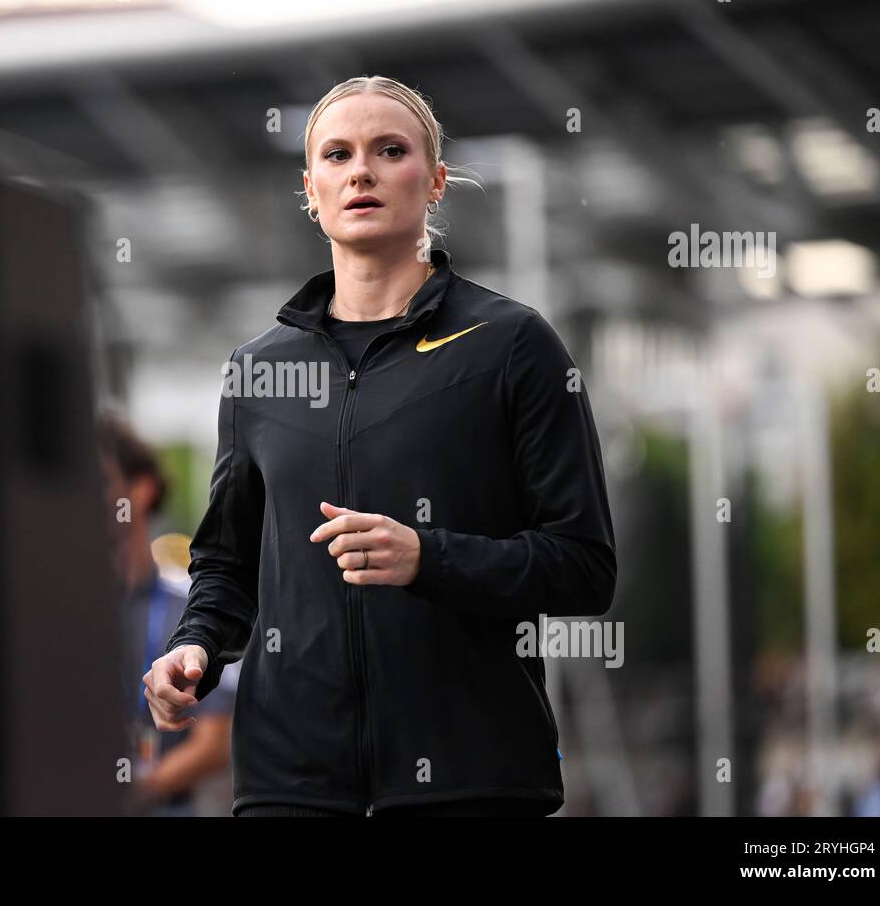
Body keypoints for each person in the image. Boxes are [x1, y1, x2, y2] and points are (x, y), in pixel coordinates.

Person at [142, 76, 617, 817]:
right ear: (312, 189)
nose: (360, 170)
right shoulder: (259, 369)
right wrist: (194, 648)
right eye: (338, 154)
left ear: (434, 182)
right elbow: (226, 565)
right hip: (288, 786)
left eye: (389, 150)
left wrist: (428, 558)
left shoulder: (512, 345)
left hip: (470, 779)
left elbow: (585, 568)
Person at [96, 411, 238, 816]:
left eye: (103, 482)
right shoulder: (62, 610)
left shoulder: (193, 605)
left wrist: (132, 794)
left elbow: (214, 741)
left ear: (142, 489)